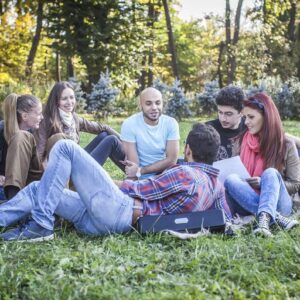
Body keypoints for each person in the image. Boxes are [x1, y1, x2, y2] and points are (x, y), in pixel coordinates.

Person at [0, 123, 231, 242]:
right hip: (100, 223)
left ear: (188, 150)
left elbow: (138, 188)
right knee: (38, 189)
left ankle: (40, 224)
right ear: (212, 155)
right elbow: (225, 220)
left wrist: (96, 179)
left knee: (65, 147)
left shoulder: (185, 173)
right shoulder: (216, 185)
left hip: (119, 211)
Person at [224, 93, 300, 237]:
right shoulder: (239, 141)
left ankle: (267, 218)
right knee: (231, 179)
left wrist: (263, 183)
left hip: (279, 203)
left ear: (267, 117)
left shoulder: (286, 144)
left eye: (251, 117)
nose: (246, 122)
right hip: (245, 200)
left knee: (270, 173)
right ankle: (275, 218)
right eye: (245, 117)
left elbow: (295, 184)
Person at [36, 81, 122, 168]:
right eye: (64, 99)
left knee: (105, 135)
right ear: (56, 101)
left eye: (71, 97)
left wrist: (124, 141)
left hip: (76, 160)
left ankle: (134, 172)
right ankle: (134, 177)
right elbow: (39, 152)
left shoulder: (74, 118)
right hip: (65, 167)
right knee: (111, 140)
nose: (69, 102)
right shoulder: (47, 120)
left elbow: (102, 128)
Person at [121, 87, 180, 179]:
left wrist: (141, 170)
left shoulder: (171, 123)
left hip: (162, 174)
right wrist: (135, 182)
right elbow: (133, 165)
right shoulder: (130, 124)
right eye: (148, 103)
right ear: (140, 105)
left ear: (162, 104)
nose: (154, 108)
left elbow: (172, 160)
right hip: (139, 175)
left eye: (158, 103)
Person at [1, 93, 44, 200]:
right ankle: (14, 201)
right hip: (8, 186)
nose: (42, 117)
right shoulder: (2, 130)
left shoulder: (34, 133)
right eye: (39, 114)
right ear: (24, 116)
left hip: (30, 182)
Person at [206, 85, 246, 160]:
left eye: (228, 114)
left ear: (241, 112)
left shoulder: (249, 129)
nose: (223, 119)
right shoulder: (208, 130)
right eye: (220, 112)